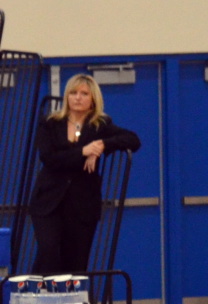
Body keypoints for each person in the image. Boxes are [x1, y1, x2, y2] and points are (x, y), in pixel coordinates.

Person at [28, 73, 141, 275]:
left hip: (82, 205)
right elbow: (49, 158)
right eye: (73, 92)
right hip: (48, 201)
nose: (77, 97)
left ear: (93, 99)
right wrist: (82, 152)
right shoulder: (50, 123)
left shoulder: (100, 125)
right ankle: (37, 297)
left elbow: (133, 139)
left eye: (83, 93)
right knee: (49, 251)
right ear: (66, 97)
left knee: (76, 263)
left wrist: (101, 144)